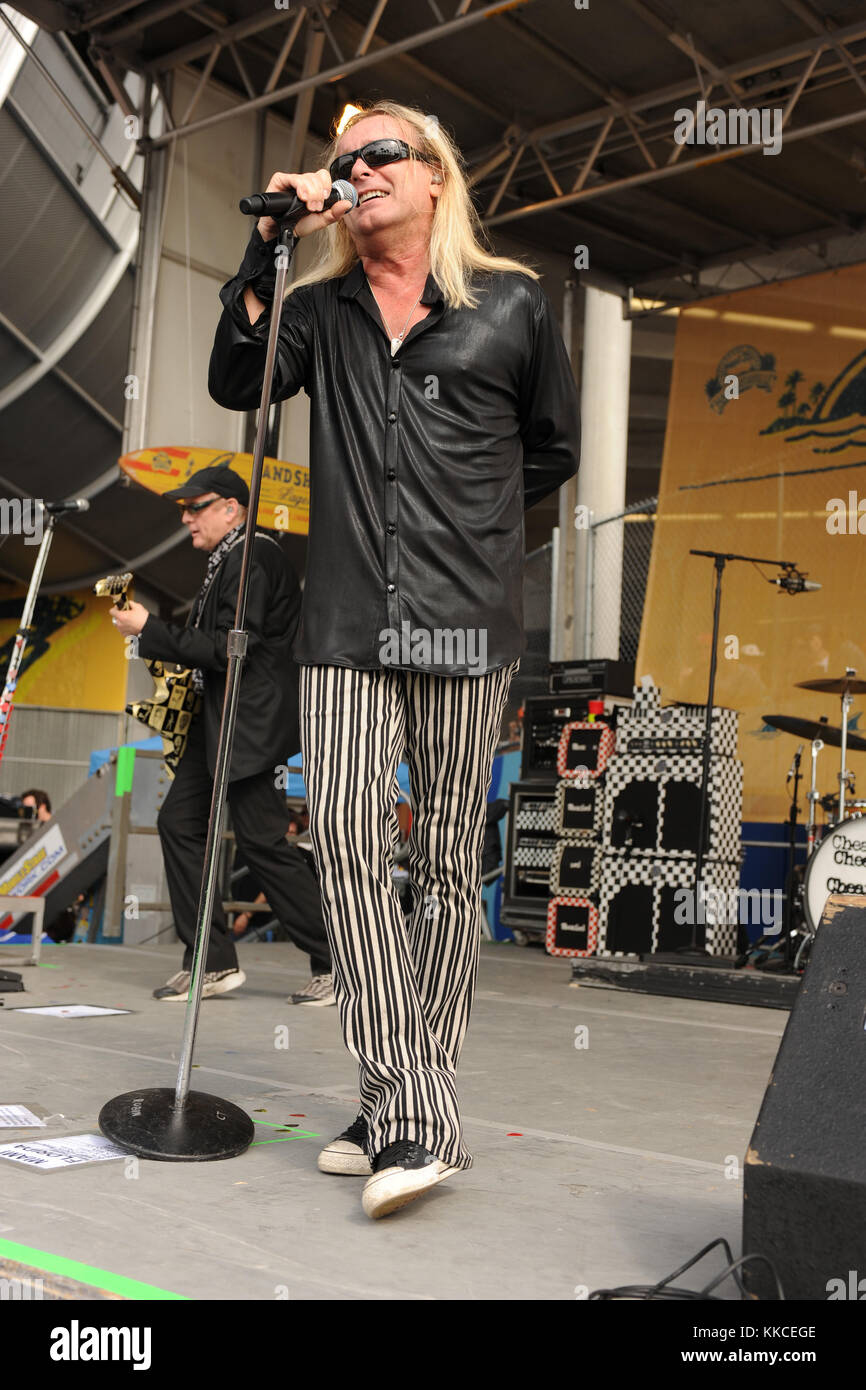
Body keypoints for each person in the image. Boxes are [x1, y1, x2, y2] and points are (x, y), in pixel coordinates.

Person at [208, 100, 579, 1218]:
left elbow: (550, 450)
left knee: (445, 862)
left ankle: (390, 1106)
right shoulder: (314, 312)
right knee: (355, 851)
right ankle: (417, 1114)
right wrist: (268, 238)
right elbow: (238, 378)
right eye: (342, 161)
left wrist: (472, 538)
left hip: (466, 623)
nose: (357, 170)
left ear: (430, 179)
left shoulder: (509, 302)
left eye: (378, 154)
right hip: (345, 628)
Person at [109, 465, 334, 1005]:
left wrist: (150, 631)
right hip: (220, 723)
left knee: (261, 842)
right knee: (179, 823)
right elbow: (215, 643)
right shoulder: (230, 558)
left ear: (231, 508)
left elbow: (231, 649)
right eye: (183, 509)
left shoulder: (253, 556)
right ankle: (211, 961)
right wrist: (154, 637)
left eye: (196, 507)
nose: (185, 518)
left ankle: (339, 960)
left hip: (248, 726)